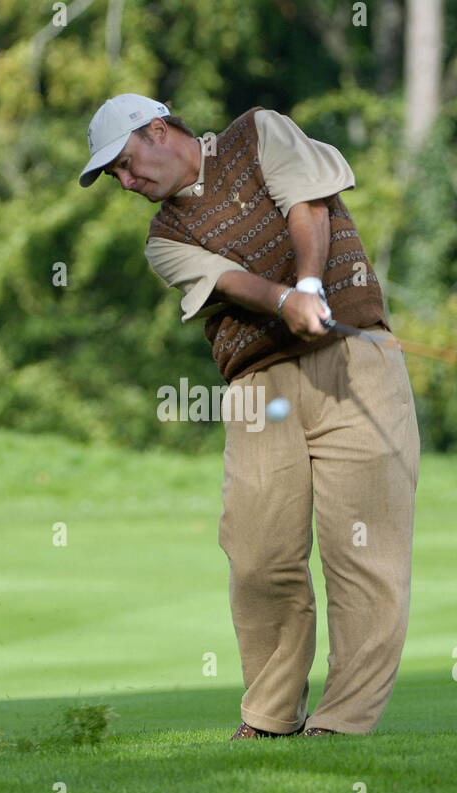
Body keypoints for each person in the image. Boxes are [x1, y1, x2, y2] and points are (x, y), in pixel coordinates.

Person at [79, 94, 419, 739]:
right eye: (115, 177)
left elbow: (308, 204)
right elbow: (236, 285)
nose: (126, 183)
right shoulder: (164, 241)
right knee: (259, 554)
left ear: (157, 131)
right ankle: (270, 717)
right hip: (261, 386)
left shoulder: (257, 132)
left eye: (125, 165)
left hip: (359, 366)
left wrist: (313, 284)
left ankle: (342, 724)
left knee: (366, 555)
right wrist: (287, 298)